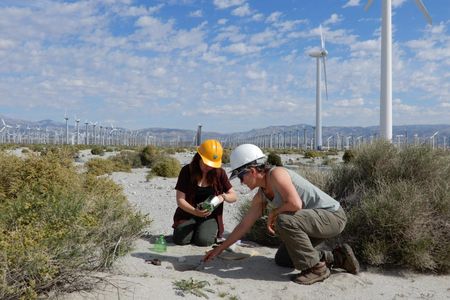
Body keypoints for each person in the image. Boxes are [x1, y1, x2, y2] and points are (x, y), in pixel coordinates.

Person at [204, 144, 359, 285]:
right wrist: (219, 249)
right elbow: (244, 225)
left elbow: (295, 204)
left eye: (240, 177)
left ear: (251, 171)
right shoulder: (261, 195)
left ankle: (317, 269)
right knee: (283, 259)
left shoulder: (277, 174)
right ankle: (338, 257)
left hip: (333, 217)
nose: (241, 182)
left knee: (284, 220)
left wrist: (273, 213)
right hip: (315, 222)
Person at [172, 139, 237, 246]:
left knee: (204, 241)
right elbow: (180, 200)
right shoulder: (186, 171)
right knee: (180, 240)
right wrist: (195, 211)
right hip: (188, 213)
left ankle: (202, 229)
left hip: (210, 216)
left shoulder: (220, 173)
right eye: (206, 163)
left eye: (212, 164)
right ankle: (195, 228)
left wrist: (223, 197)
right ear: (199, 157)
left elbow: (234, 196)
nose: (209, 167)